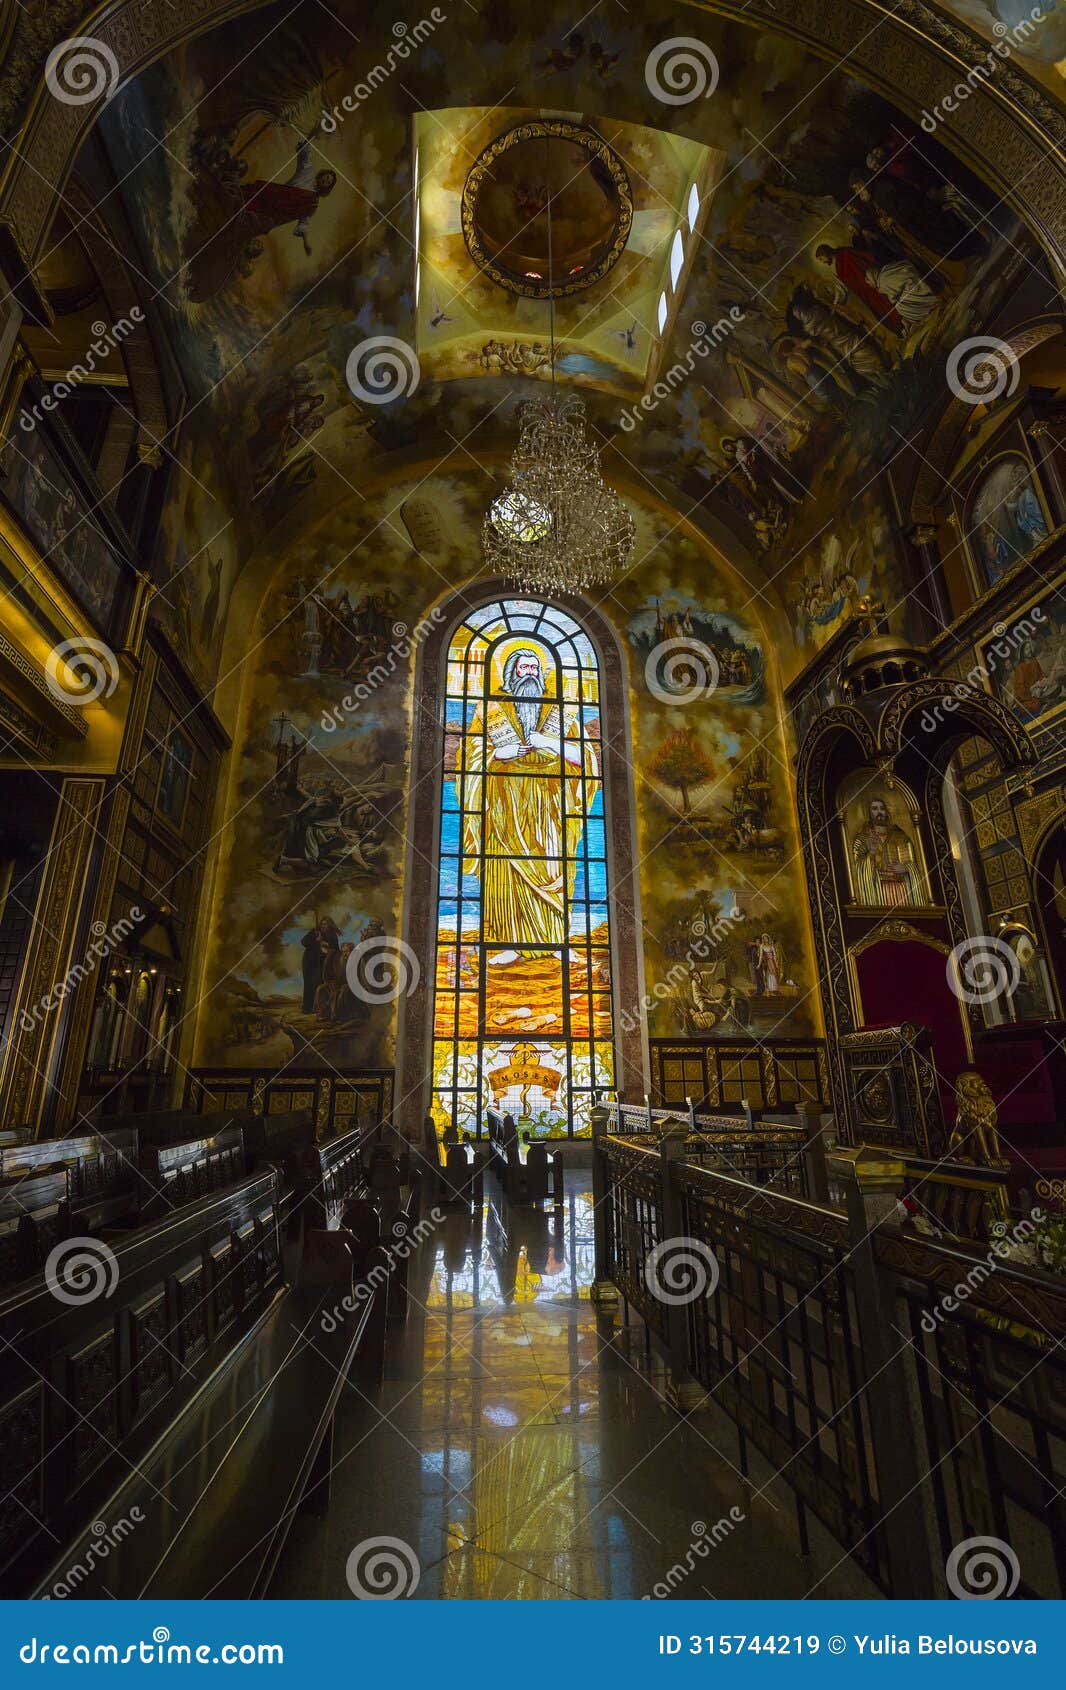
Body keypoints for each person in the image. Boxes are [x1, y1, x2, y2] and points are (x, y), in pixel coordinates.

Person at [461, 648, 599, 966]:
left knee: (555, 869)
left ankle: (556, 943)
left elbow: (586, 759)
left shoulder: (560, 713)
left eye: (535, 668)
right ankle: (512, 943)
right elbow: (470, 757)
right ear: (511, 674)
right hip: (503, 806)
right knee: (508, 873)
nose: (531, 674)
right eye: (524, 668)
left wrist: (550, 743)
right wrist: (498, 755)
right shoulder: (491, 712)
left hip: (551, 806)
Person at [240, 136, 336, 257]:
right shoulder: (308, 172)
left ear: (327, 187)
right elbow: (304, 154)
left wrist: (306, 244)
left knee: (253, 226)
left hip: (275, 216)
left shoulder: (313, 204)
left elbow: (303, 222)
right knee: (245, 197)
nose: (325, 181)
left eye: (328, 182)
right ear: (322, 174)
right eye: (326, 177)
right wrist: (314, 133)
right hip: (270, 196)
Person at [851, 796, 922, 907]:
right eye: (874, 809)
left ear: (886, 812)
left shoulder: (900, 836)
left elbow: (914, 864)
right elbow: (856, 867)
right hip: (878, 891)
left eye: (882, 808)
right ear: (869, 813)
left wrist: (906, 868)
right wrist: (871, 854)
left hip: (902, 889)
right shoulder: (863, 838)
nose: (879, 812)